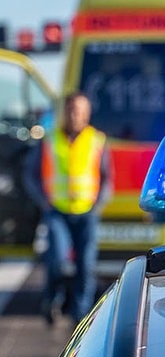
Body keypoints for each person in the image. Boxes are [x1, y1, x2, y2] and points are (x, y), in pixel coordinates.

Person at [23, 91, 113, 326]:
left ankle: (80, 314)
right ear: (65, 112)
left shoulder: (96, 140)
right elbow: (30, 175)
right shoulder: (50, 140)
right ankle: (52, 300)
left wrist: (98, 204)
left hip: (86, 212)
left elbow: (106, 178)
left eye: (80, 110)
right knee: (56, 261)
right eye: (72, 110)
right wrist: (43, 201)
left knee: (86, 264)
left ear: (87, 113)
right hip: (57, 211)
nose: (76, 115)